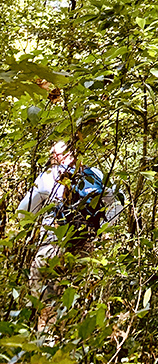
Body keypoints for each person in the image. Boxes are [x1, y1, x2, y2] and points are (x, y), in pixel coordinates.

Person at [17, 140, 124, 332]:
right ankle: (74, 351)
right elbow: (118, 203)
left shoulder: (47, 177)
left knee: (47, 308)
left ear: (55, 157)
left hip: (50, 249)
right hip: (84, 250)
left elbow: (23, 212)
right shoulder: (96, 175)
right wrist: (102, 231)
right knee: (76, 308)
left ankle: (47, 348)